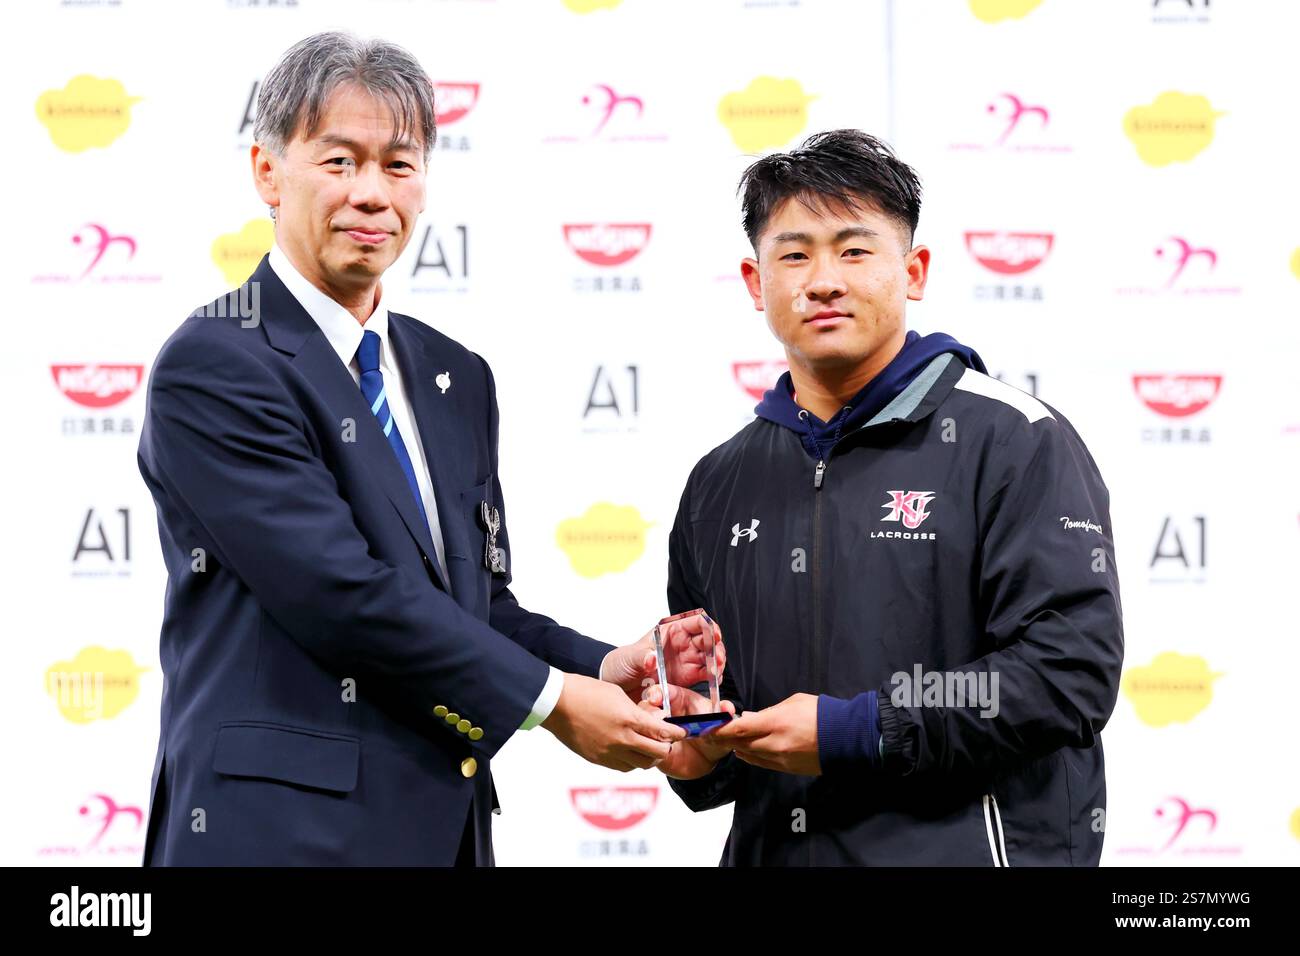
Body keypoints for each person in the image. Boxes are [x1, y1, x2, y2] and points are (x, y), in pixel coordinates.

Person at [136, 31, 690, 866]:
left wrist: (604, 664)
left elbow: (476, 606)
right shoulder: (217, 359)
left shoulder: (453, 374)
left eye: (399, 164)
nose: (371, 194)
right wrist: (554, 701)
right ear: (266, 172)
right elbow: (342, 593)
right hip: (274, 839)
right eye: (339, 161)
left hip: (440, 833)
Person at [652, 129, 1124, 865]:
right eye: (795, 253)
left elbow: (1065, 678)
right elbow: (735, 721)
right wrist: (701, 752)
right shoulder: (720, 480)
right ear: (755, 282)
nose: (824, 279)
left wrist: (855, 730)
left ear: (914, 270)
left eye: (854, 249)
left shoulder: (1014, 439)